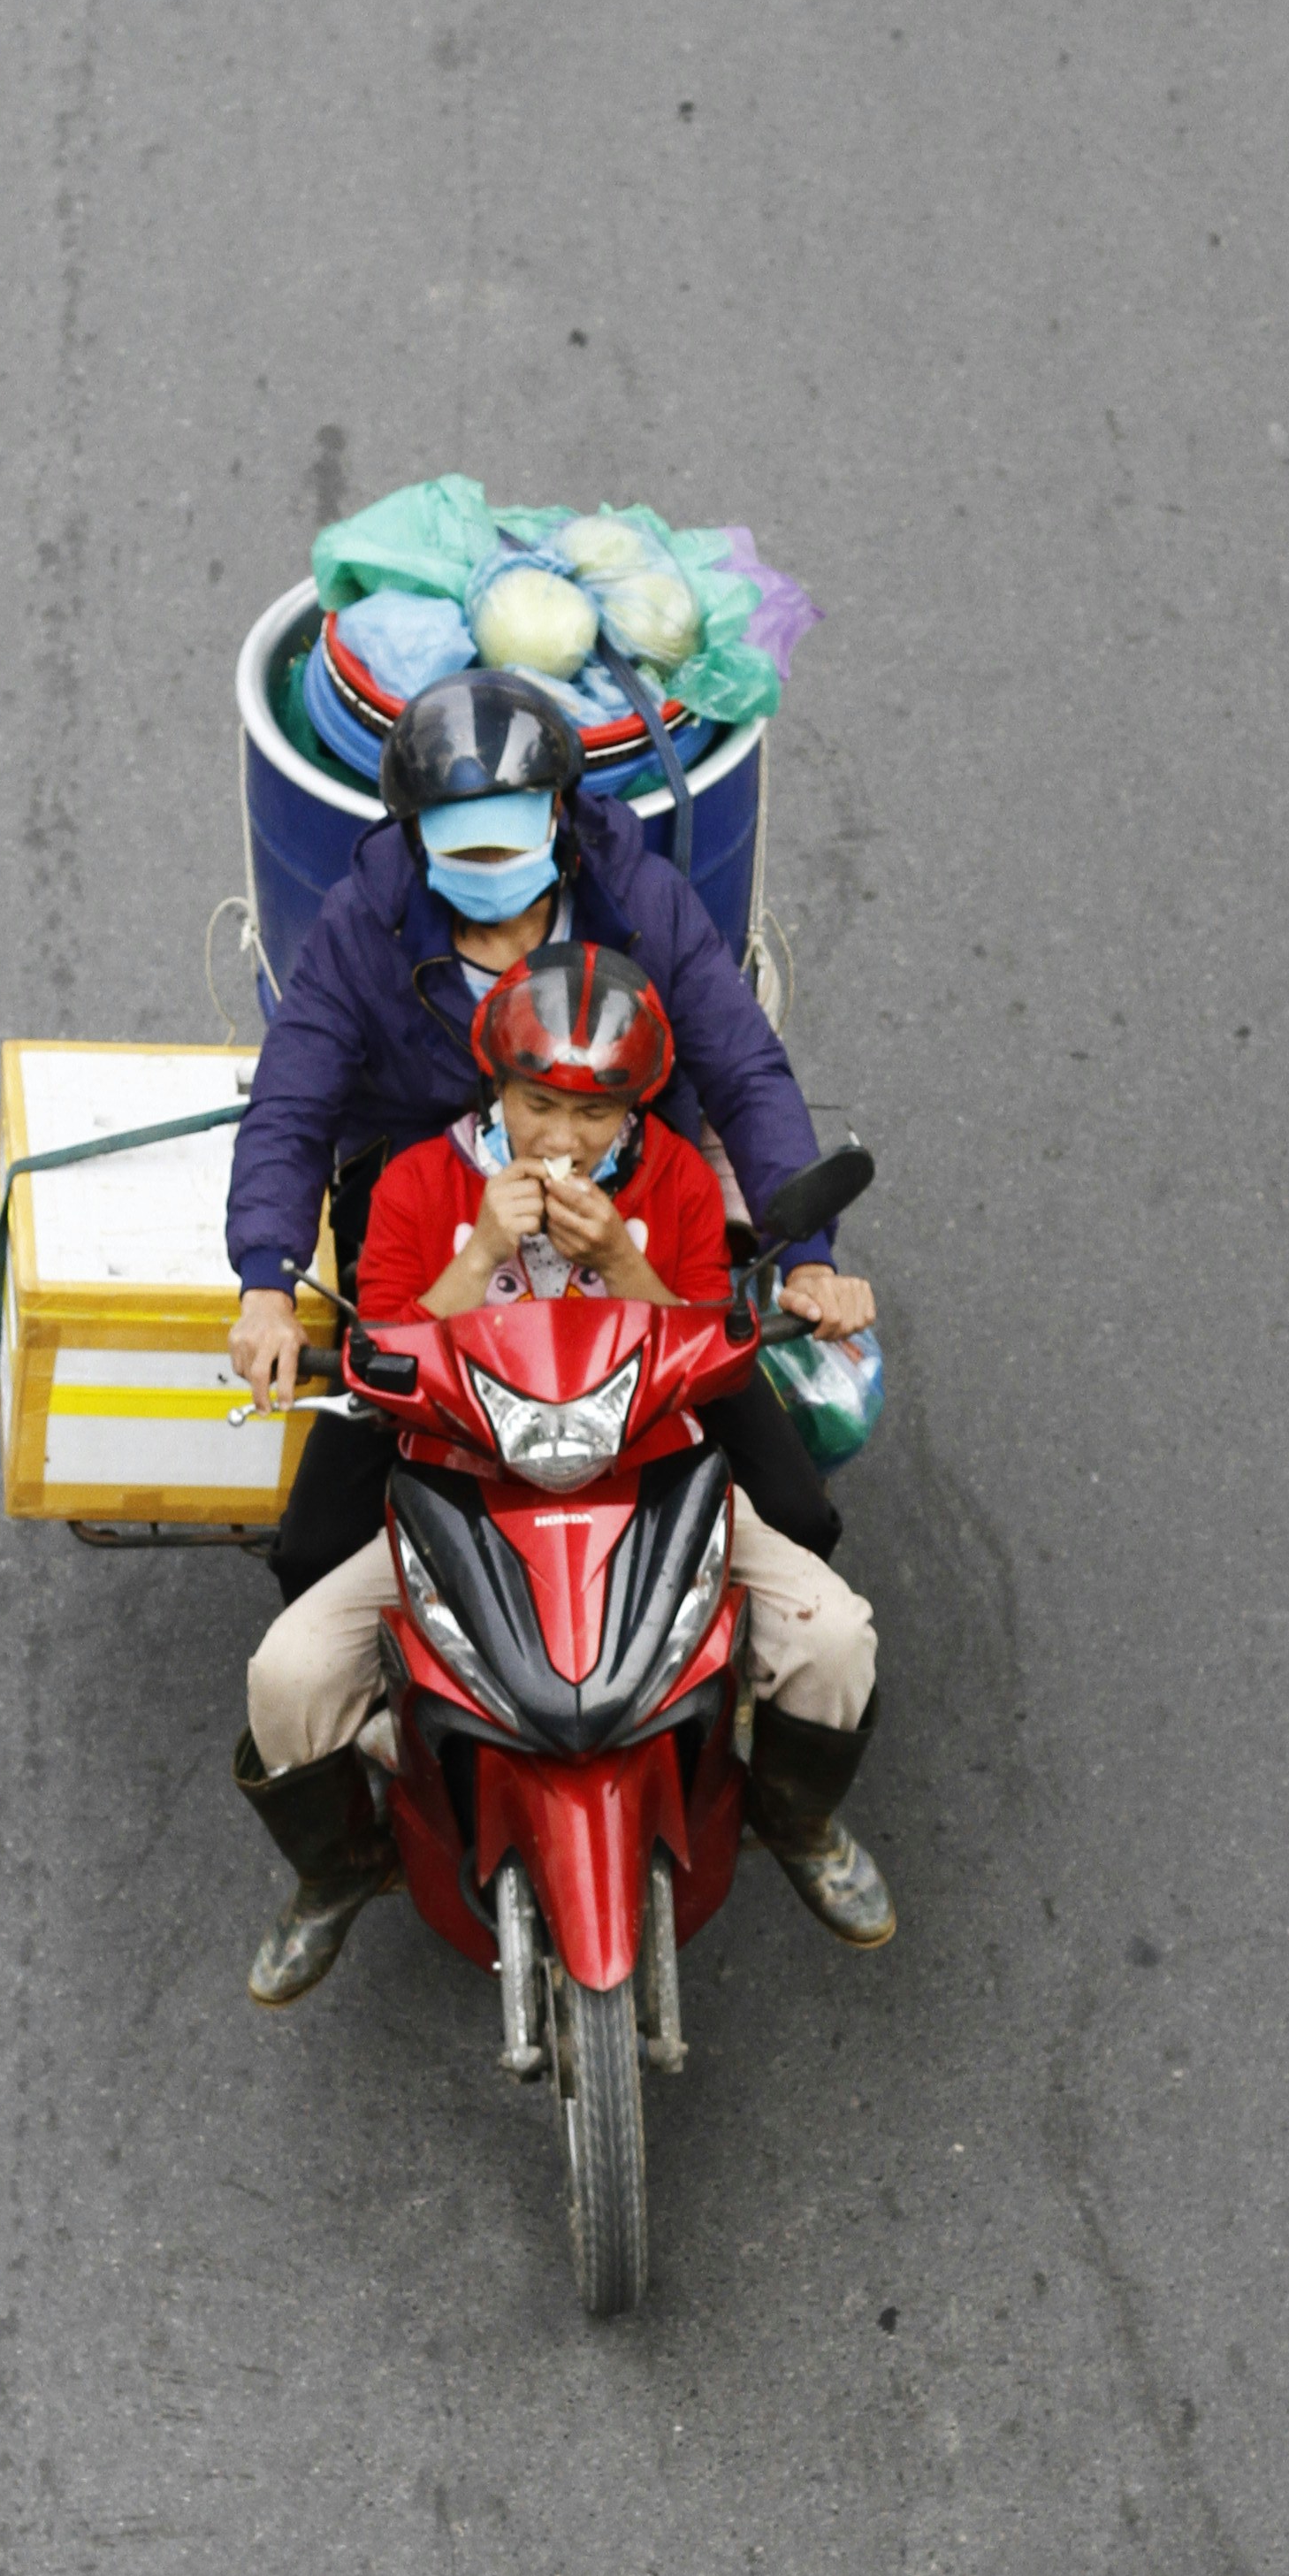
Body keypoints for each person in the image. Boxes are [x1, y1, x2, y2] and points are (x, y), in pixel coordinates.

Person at [232, 942, 892, 2008]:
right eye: (540, 1104)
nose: (566, 1138)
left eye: (598, 1113)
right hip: (458, 1493)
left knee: (835, 1638)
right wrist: (481, 1251)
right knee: (288, 1677)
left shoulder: (676, 1177)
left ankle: (796, 1821)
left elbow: (712, 1342)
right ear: (495, 1087)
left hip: (658, 1482)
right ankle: (338, 1869)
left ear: (636, 1108)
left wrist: (623, 1261)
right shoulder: (417, 1182)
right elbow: (385, 1344)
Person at [225, 670, 874, 1606]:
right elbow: (291, 1103)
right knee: (315, 1550)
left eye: (509, 839)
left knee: (798, 1517)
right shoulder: (364, 921)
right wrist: (266, 1286)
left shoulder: (644, 898)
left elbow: (743, 1069)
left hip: (630, 1183)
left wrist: (806, 1255)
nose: (490, 865)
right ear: (416, 837)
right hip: (426, 1188)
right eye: (465, 846)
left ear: (561, 817)